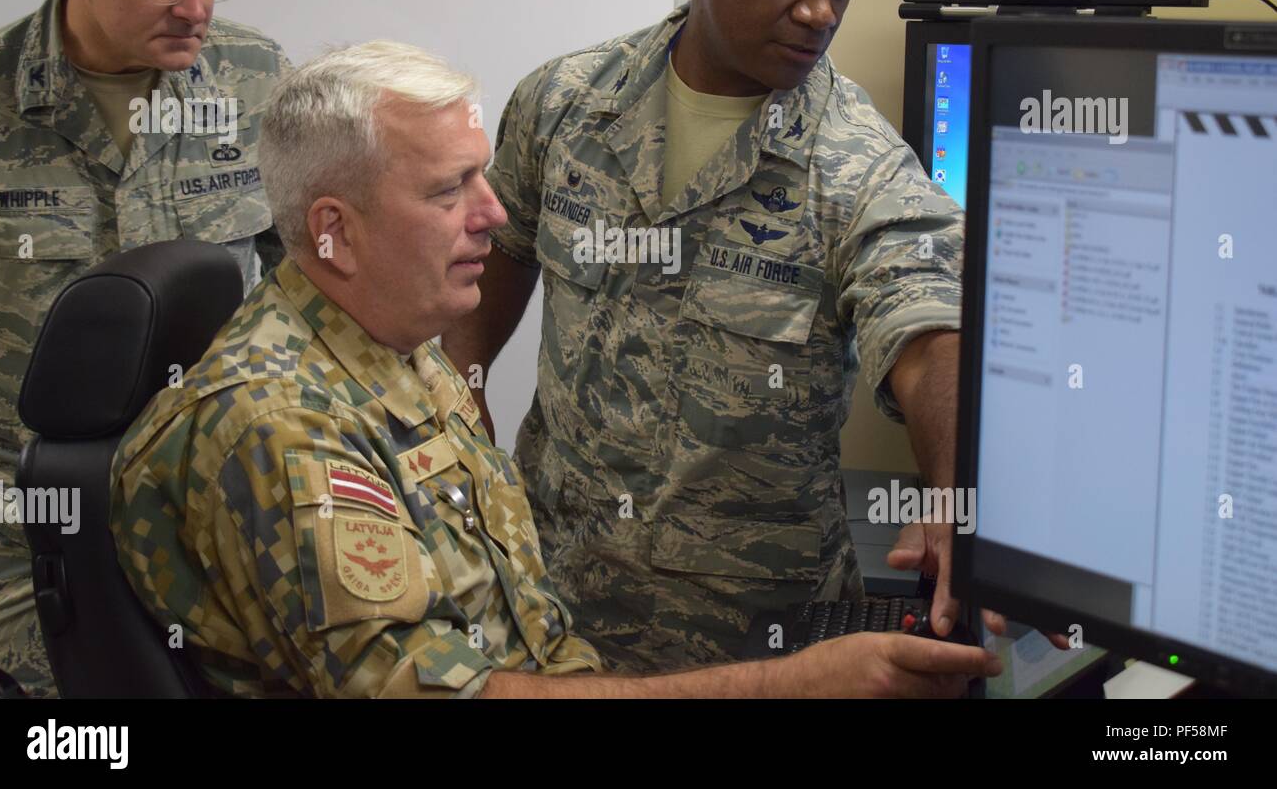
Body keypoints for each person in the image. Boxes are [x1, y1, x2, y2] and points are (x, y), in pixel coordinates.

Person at [110, 42, 1001, 697]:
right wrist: (793, 686)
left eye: (482, 179)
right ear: (334, 231)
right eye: (447, 190)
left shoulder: (399, 342)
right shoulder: (280, 428)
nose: (494, 215)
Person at [440, 0, 1001, 672]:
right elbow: (503, 245)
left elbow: (930, 332)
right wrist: (465, 389)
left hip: (757, 649)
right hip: (554, 602)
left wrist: (952, 489)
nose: (822, 9)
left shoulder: (856, 164)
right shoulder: (564, 104)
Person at [0, 0, 288, 697]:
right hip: (25, 531)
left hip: (218, 515)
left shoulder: (255, 78)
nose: (195, 9)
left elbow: (308, 295)